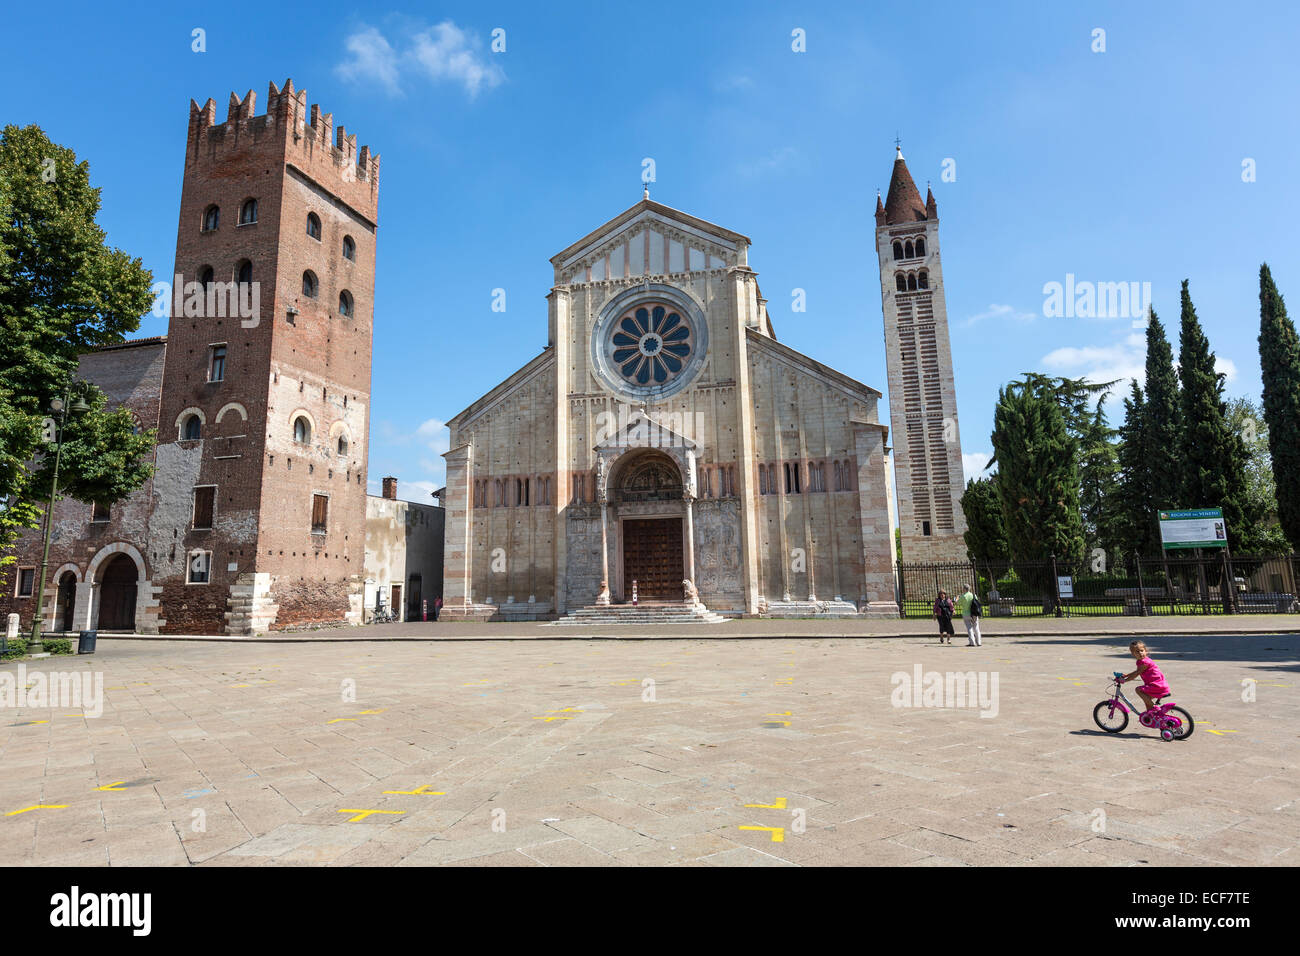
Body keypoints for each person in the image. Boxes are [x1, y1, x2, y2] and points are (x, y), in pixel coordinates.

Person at [1119, 640, 1171, 713]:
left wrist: (1125, 680)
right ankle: (1152, 717)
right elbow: (1136, 672)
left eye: (1142, 650)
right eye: (1137, 651)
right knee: (1146, 700)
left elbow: (1136, 674)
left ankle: (1155, 708)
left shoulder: (1145, 662)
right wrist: (1126, 675)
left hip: (1157, 685)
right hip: (1156, 685)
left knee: (1138, 690)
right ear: (1133, 654)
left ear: (1145, 651)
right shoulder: (1141, 661)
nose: (1140, 653)